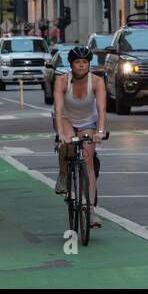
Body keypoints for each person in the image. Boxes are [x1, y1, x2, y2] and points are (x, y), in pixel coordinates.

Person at [53, 46, 108, 228]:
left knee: (88, 157)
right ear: (71, 65)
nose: (82, 66)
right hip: (66, 118)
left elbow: (101, 109)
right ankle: (62, 175)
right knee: (67, 143)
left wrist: (100, 132)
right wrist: (61, 134)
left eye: (85, 62)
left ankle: (91, 211)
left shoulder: (97, 82)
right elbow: (59, 110)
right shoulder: (62, 81)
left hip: (87, 122)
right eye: (78, 62)